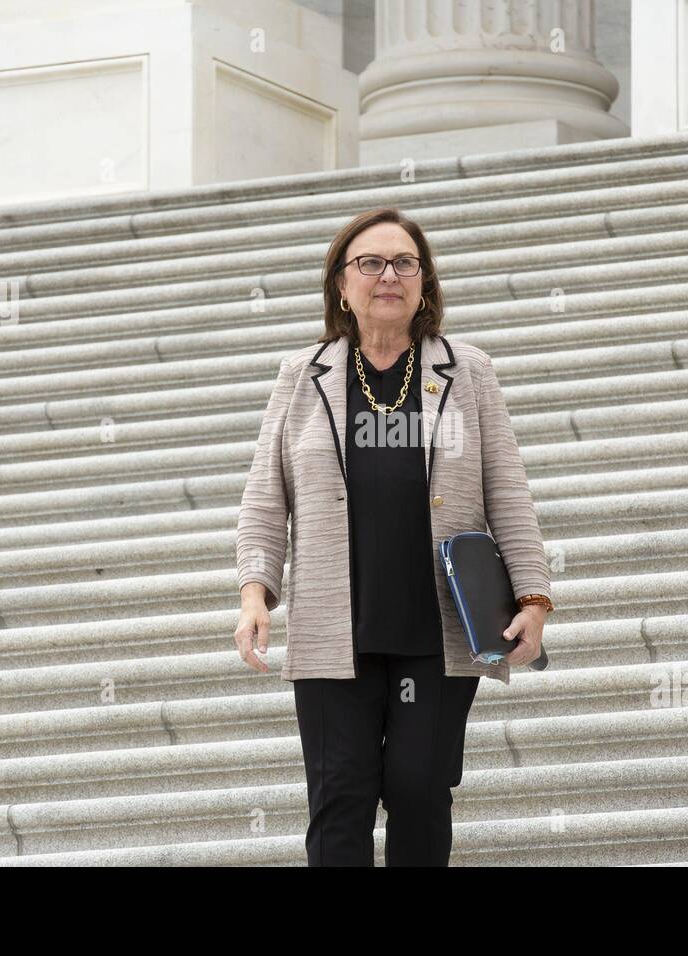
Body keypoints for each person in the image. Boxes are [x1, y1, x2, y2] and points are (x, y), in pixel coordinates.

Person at [233, 206, 554, 866]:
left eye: (405, 263)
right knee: (339, 795)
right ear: (341, 287)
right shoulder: (303, 376)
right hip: (334, 632)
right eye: (370, 263)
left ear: (425, 283)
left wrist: (534, 597)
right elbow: (266, 499)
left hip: (435, 628)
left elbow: (508, 491)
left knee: (419, 788)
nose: (389, 275)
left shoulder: (468, 372)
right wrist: (254, 594)